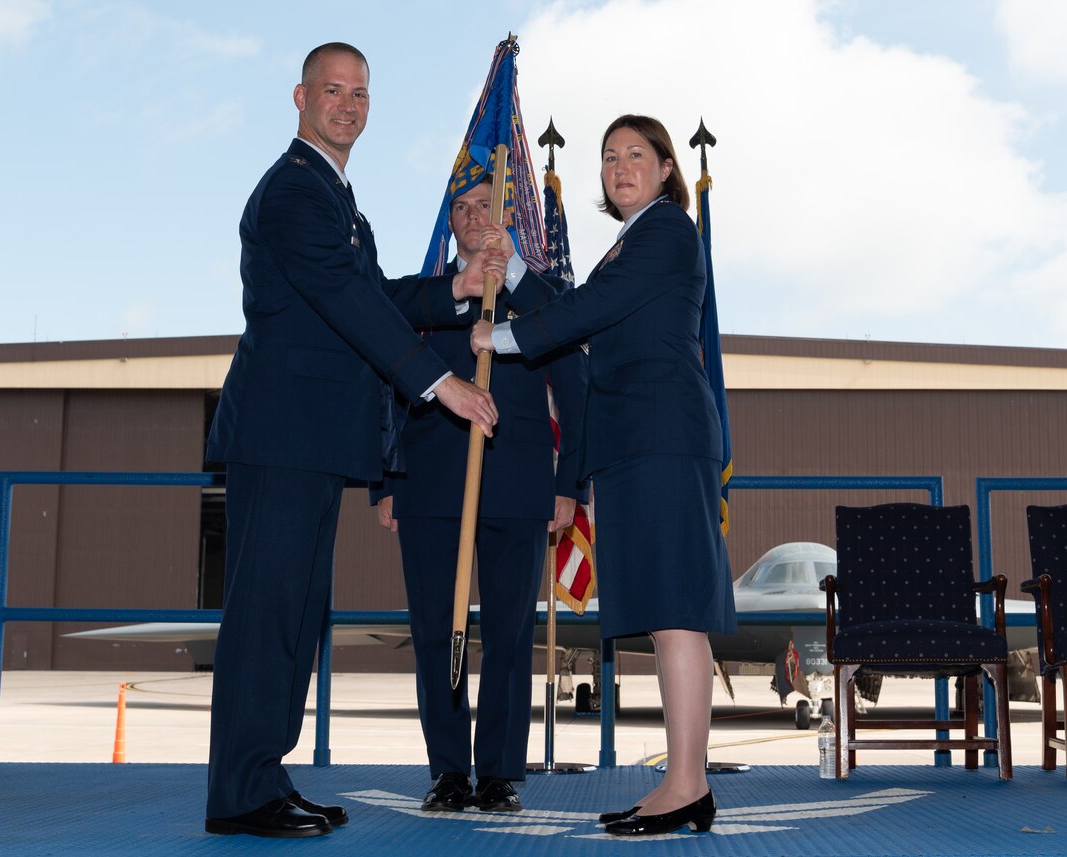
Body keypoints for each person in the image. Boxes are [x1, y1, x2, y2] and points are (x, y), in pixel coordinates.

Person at [203, 42, 506, 839]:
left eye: (360, 93)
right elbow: (347, 299)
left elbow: (373, 293)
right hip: (280, 436)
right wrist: (441, 384)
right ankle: (240, 790)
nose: (348, 105)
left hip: (309, 441)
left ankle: (261, 776)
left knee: (298, 615)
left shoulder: (335, 196)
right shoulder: (296, 192)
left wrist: (456, 287)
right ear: (299, 97)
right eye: (332, 90)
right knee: (269, 612)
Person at [471, 114, 736, 837]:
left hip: (664, 439)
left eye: (636, 155)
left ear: (665, 168)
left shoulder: (668, 231)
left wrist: (499, 335)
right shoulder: (629, 243)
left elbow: (588, 313)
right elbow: (575, 306)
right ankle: (683, 782)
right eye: (609, 157)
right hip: (634, 446)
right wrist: (519, 273)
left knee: (676, 607)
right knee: (661, 609)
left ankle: (687, 783)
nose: (620, 167)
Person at [373, 177, 588, 813]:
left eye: (484, 206)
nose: (471, 217)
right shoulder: (420, 297)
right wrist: (386, 482)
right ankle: (447, 770)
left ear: (507, 216)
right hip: (431, 484)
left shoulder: (539, 298)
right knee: (436, 630)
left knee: (511, 633)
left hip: (520, 488)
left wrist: (569, 485)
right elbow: (386, 382)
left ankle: (496, 771)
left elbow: (576, 395)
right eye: (460, 207)